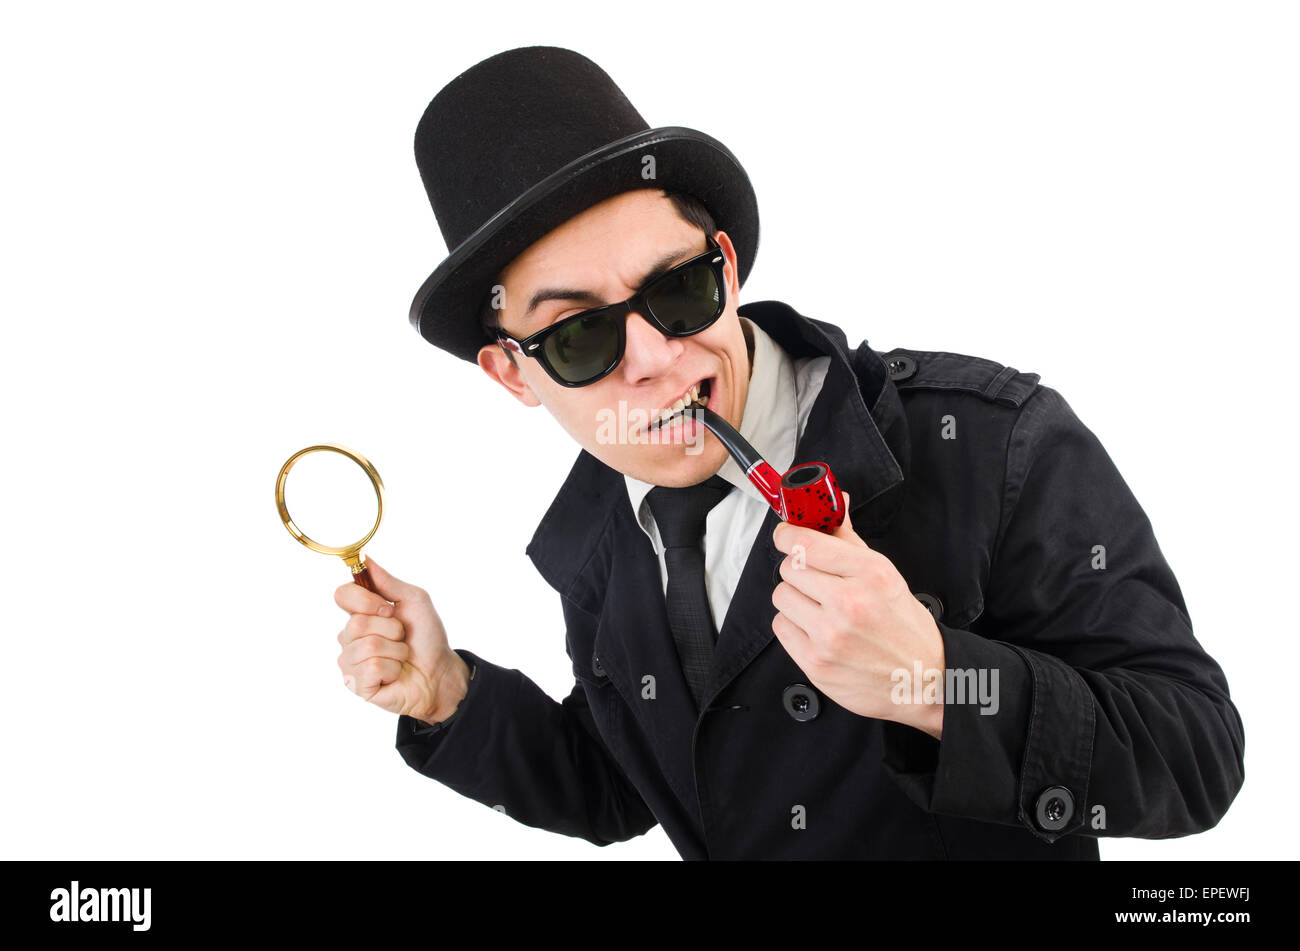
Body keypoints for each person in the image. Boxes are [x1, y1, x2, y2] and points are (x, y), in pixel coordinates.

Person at [333, 46, 1244, 859]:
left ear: (725, 266)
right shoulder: (601, 539)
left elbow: (1195, 753)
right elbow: (636, 784)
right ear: (513, 375)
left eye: (679, 289)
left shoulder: (991, 443)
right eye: (578, 337)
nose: (656, 359)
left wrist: (933, 681)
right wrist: (451, 695)